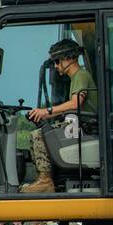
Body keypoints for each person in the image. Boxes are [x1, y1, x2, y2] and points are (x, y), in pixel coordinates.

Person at [22, 39, 97, 193]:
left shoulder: (81, 75)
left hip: (89, 128)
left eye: (57, 61)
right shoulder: (77, 77)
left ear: (69, 58)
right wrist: (46, 115)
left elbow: (75, 104)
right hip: (84, 125)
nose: (55, 66)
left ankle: (45, 180)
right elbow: (71, 108)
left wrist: (47, 111)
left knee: (39, 135)